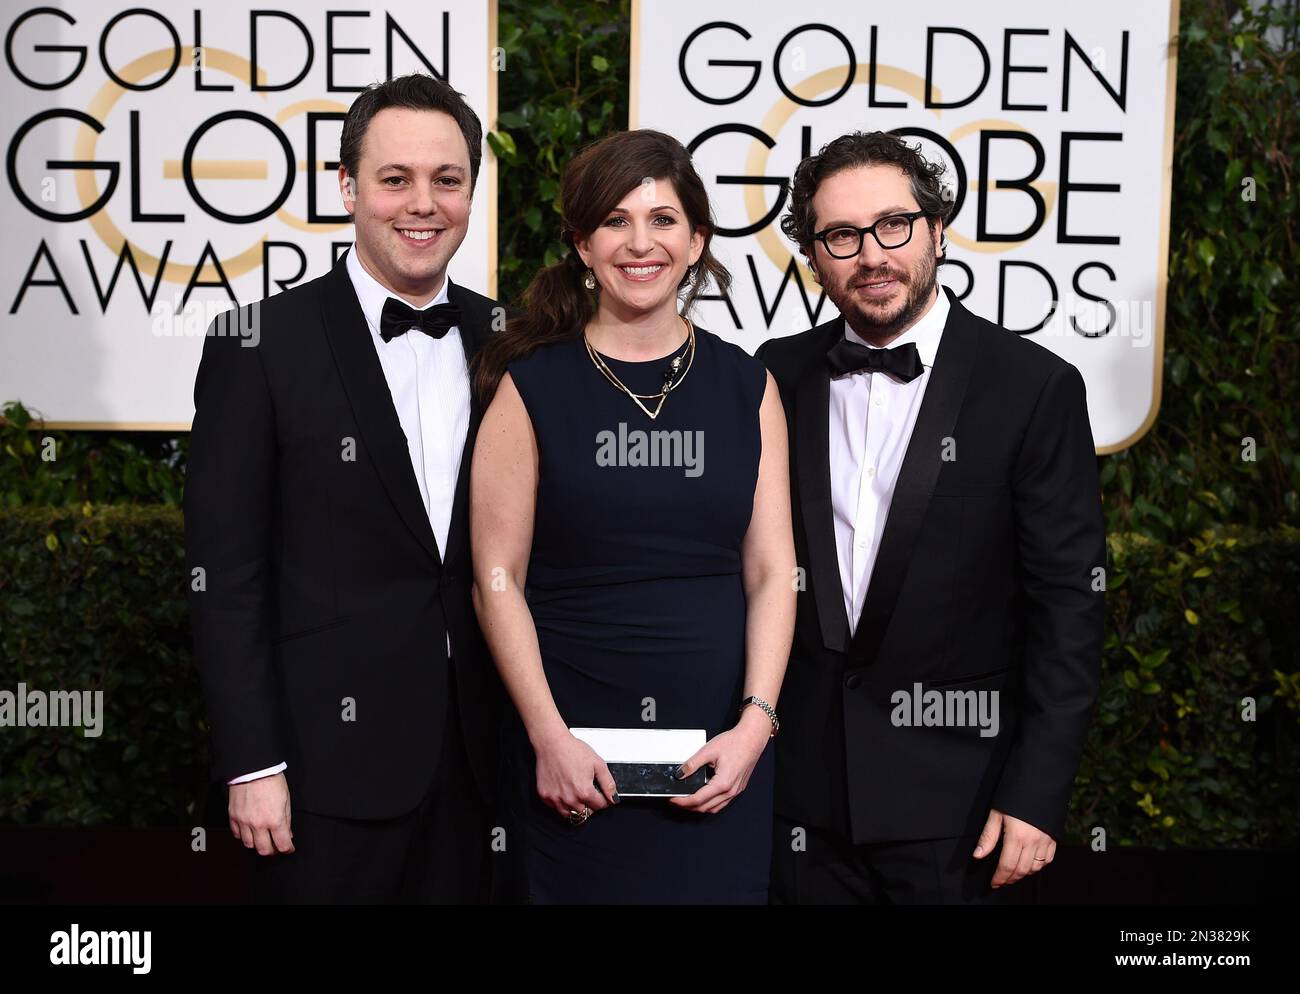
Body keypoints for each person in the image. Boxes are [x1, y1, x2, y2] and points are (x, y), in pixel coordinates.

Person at [757, 131, 1105, 904]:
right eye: (841, 236)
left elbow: (1069, 607)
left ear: (938, 231)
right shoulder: (776, 374)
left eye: (894, 224)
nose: (871, 255)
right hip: (800, 805)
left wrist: (1037, 794)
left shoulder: (1032, 386)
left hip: (960, 808)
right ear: (813, 258)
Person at [185, 73, 505, 903]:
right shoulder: (258, 344)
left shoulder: (510, 341)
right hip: (320, 771)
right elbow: (227, 575)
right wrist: (253, 763)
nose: (423, 204)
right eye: (396, 179)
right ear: (348, 188)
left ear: (471, 192)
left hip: (484, 766)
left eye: (447, 179)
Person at [470, 129, 796, 904]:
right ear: (583, 245)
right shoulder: (529, 386)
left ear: (697, 240)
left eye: (662, 220)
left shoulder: (748, 387)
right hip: (569, 763)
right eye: (615, 221)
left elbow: (772, 571)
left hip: (721, 758)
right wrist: (548, 737)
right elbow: (495, 579)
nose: (640, 243)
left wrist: (755, 727)